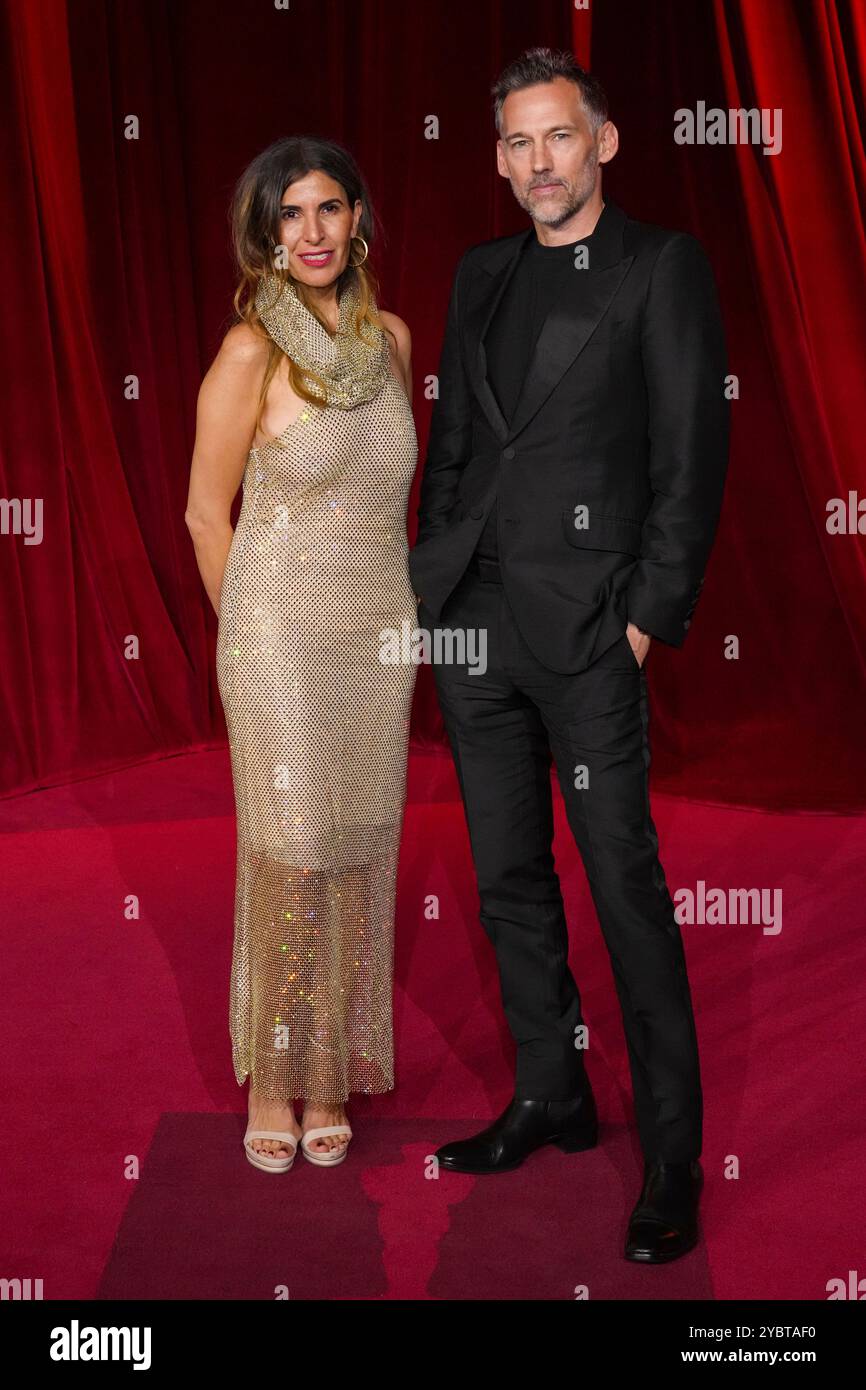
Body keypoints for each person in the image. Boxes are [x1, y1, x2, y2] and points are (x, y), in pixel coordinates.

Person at [408, 48, 730, 1262]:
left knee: (626, 895)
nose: (537, 162)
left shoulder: (658, 267)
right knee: (506, 881)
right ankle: (551, 1094)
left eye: (558, 137)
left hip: (592, 633)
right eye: (515, 143)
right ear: (495, 158)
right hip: (475, 628)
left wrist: (644, 617)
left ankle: (671, 1159)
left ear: (600, 143)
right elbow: (454, 442)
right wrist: (435, 580)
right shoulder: (480, 272)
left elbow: (688, 460)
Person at [185, 136, 416, 1173]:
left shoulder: (396, 342)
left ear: (357, 218)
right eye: (291, 215)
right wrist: (245, 638)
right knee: (290, 854)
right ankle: (271, 1082)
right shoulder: (249, 352)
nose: (313, 232)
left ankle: (328, 1073)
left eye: (328, 209)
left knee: (358, 850)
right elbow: (201, 512)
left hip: (376, 634)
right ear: (266, 237)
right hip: (275, 633)